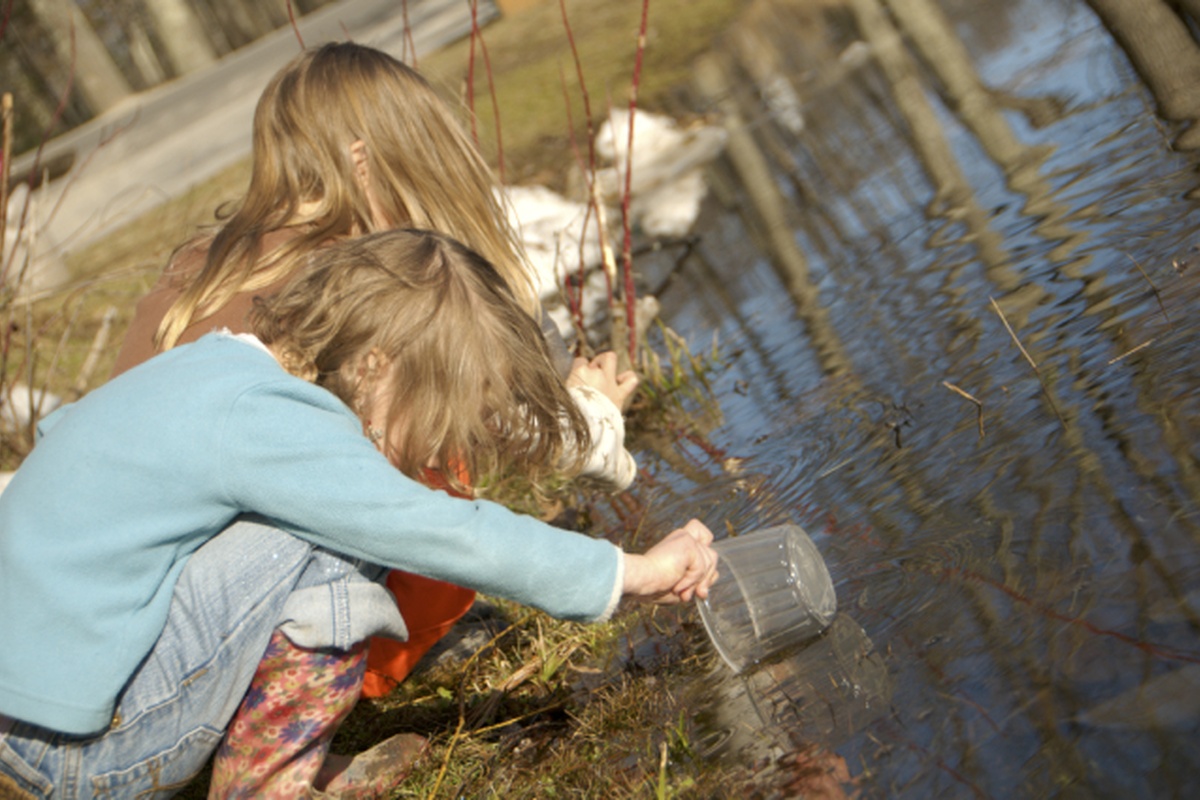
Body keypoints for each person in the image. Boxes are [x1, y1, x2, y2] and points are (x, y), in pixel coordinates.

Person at [0, 229, 717, 799]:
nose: (438, 445)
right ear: (377, 365)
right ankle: (267, 786)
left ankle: (280, 758)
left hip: (25, 723)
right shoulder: (271, 420)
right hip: (78, 759)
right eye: (436, 413)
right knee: (337, 551)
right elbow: (436, 529)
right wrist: (630, 572)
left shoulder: (204, 372)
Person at [110, 40, 640, 706]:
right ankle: (385, 653)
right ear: (365, 166)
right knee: (429, 440)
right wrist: (598, 414)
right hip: (249, 633)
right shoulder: (370, 290)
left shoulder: (204, 263)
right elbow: (529, 431)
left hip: (133, 620)